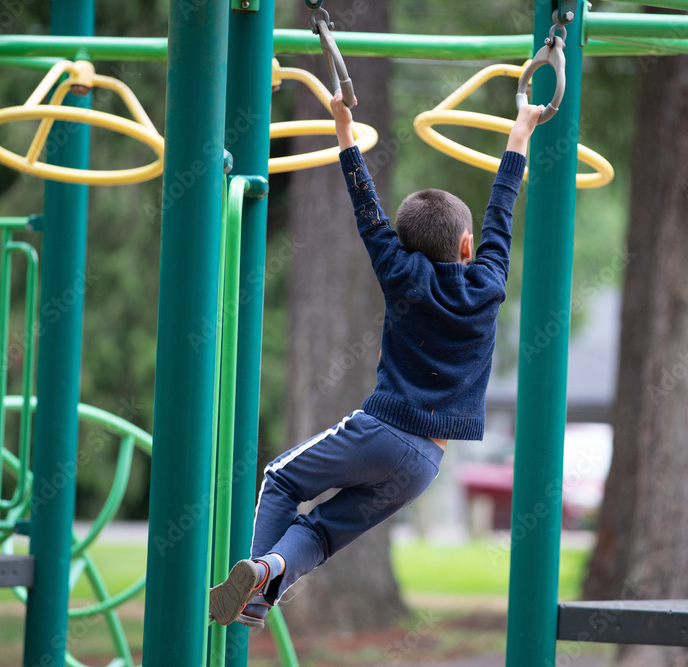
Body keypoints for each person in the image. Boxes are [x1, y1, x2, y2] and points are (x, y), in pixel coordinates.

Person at [209, 92, 544, 628]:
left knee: (279, 478)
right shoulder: (488, 283)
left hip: (382, 431)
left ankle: (254, 588)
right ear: (466, 245)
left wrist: (344, 130)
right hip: (424, 465)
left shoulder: (400, 272)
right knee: (320, 533)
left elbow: (367, 210)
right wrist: (520, 131)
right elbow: (502, 208)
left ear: (405, 247)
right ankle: (265, 580)